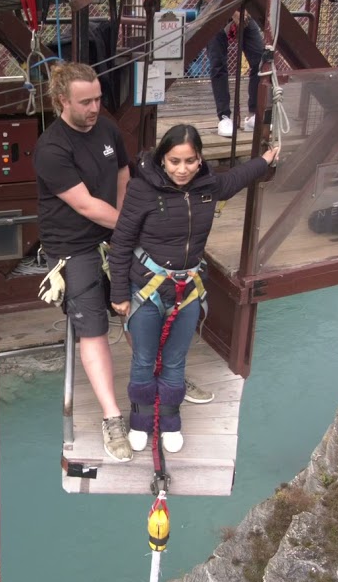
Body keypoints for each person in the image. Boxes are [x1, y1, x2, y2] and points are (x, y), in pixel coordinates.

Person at [108, 124, 278, 453]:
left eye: (190, 161)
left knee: (175, 360)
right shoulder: (143, 190)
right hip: (148, 287)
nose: (182, 169)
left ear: (199, 160)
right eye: (174, 161)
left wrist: (266, 159)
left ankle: (169, 420)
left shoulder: (207, 186)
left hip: (186, 290)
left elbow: (237, 178)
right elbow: (122, 242)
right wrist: (118, 294)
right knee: (144, 360)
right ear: (162, 160)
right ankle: (141, 419)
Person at [34, 61, 134, 462]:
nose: (95, 107)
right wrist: (132, 230)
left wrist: (125, 223)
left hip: (114, 233)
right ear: (62, 101)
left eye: (98, 98)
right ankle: (112, 417)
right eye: (86, 102)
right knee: (92, 327)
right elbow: (86, 205)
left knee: (143, 309)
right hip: (73, 245)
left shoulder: (107, 128)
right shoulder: (52, 148)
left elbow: (123, 172)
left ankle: (162, 381)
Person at [197, 0, 267, 139]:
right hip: (215, 11)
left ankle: (254, 114)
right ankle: (224, 117)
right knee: (218, 64)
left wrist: (245, 9)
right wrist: (233, 12)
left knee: (260, 59)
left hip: (244, 10)